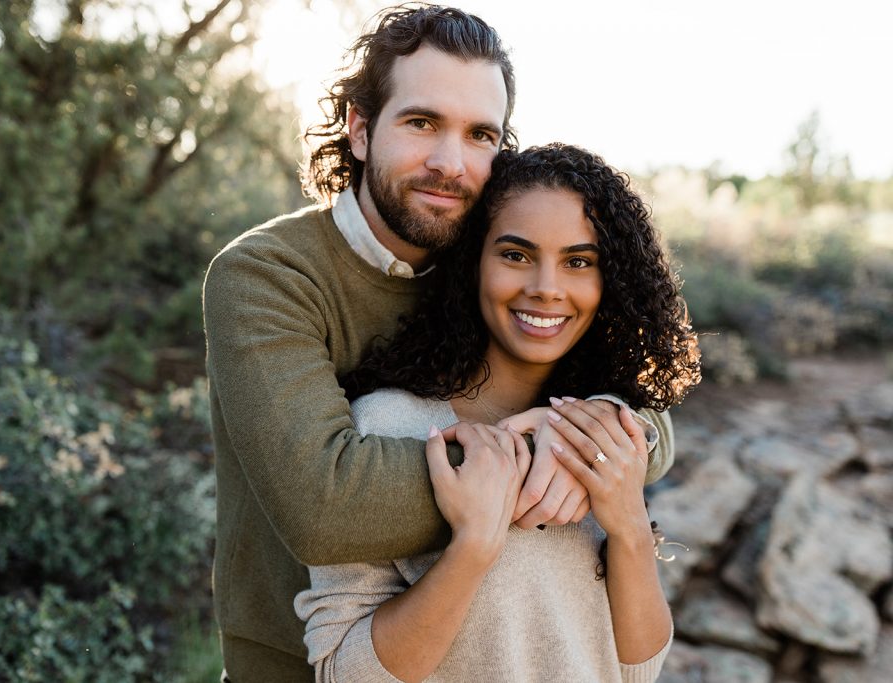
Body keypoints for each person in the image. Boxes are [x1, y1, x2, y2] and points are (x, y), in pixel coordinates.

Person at [202, 6, 674, 680]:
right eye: (421, 123)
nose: (450, 163)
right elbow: (325, 507)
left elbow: (640, 402)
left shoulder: (484, 259)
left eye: (479, 134)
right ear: (360, 130)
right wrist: (542, 447)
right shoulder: (267, 275)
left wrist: (605, 444)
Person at [295, 143, 701, 682]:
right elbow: (344, 674)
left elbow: (636, 670)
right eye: (516, 254)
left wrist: (628, 526)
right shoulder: (387, 428)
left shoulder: (600, 433)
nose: (546, 289)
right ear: (472, 262)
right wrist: (473, 547)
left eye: (579, 262)